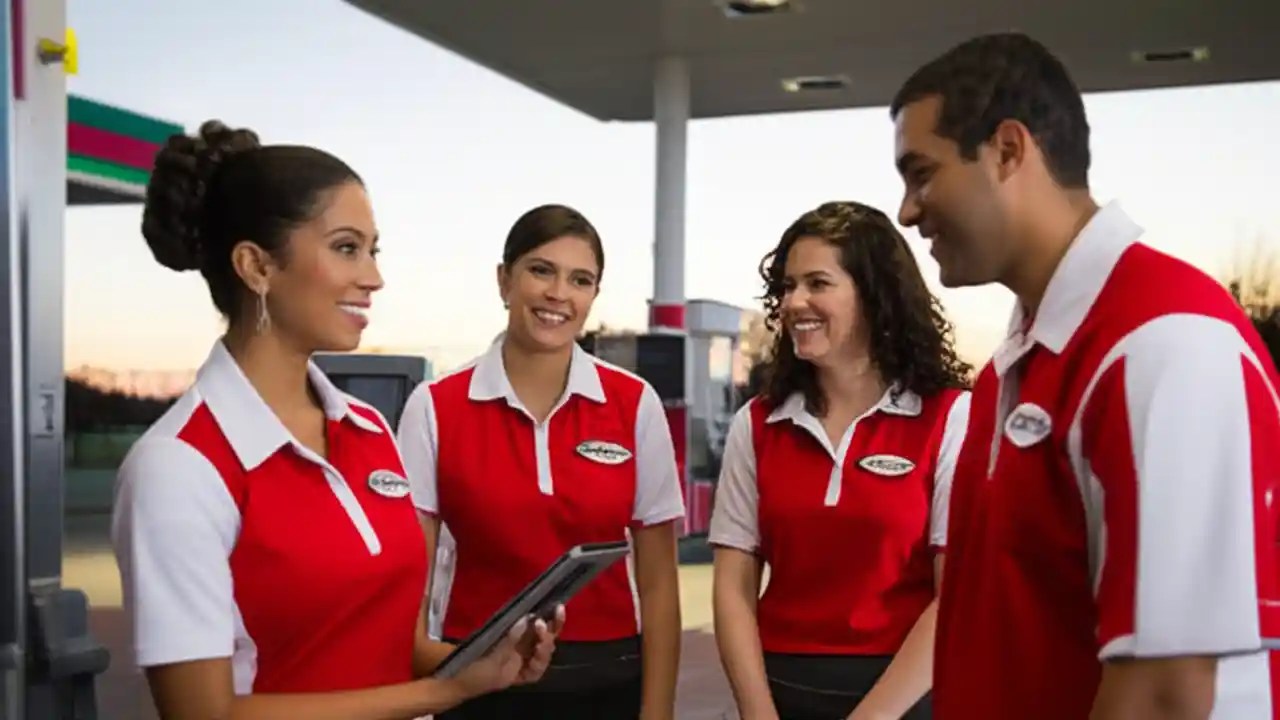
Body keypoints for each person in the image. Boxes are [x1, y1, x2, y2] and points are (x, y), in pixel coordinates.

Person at [111, 120, 561, 720]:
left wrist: (476, 666)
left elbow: (384, 641)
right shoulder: (179, 466)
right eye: (347, 248)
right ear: (256, 266)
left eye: (373, 250)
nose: (373, 277)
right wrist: (442, 694)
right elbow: (204, 714)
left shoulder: (370, 429)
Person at [890, 32, 1280, 719]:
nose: (908, 210)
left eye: (921, 173)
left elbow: (1168, 696)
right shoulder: (1009, 373)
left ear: (1009, 150)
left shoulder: (1165, 344)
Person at [396, 203, 686, 720]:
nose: (558, 294)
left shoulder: (634, 404)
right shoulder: (435, 406)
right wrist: (438, 678)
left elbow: (660, 582)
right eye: (540, 271)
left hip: (609, 681)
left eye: (580, 280)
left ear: (594, 296)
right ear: (504, 280)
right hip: (479, 680)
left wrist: (657, 712)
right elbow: (408, 582)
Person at [709, 201, 972, 720]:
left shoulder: (949, 418)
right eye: (787, 286)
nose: (793, 301)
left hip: (906, 698)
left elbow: (955, 598)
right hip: (781, 694)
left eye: (817, 283)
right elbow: (733, 586)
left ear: (875, 295)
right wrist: (758, 714)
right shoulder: (758, 425)